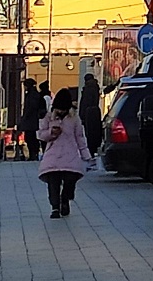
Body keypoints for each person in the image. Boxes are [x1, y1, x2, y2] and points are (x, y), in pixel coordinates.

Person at [36, 87, 93, 218]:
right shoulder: (49, 117)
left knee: (70, 179)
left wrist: (87, 156)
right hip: (53, 155)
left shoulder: (74, 119)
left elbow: (80, 138)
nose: (61, 111)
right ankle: (55, 207)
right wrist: (51, 133)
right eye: (59, 108)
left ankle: (65, 199)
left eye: (63, 109)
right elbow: (40, 134)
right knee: (53, 181)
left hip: (70, 155)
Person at [18, 79, 45, 161]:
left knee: (30, 138)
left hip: (31, 120)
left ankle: (33, 154)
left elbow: (30, 108)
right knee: (31, 138)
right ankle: (33, 154)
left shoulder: (32, 95)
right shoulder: (33, 94)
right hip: (32, 120)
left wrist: (25, 117)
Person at [79, 75, 104, 156]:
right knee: (95, 132)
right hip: (95, 111)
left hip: (88, 113)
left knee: (89, 133)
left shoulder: (88, 88)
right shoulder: (96, 87)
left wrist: (81, 115)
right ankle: (94, 149)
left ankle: (91, 151)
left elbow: (84, 103)